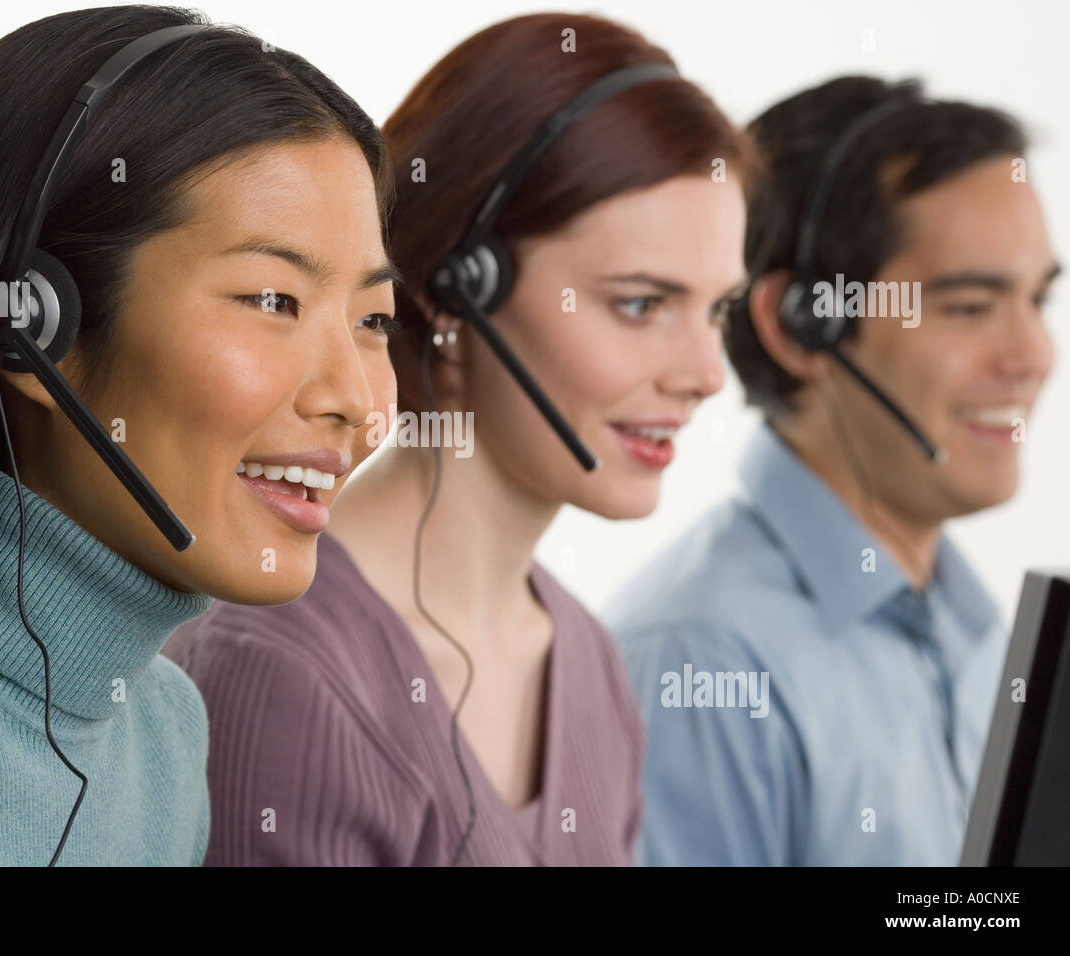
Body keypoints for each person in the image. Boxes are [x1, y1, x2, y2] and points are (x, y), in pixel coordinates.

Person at [0, 5, 398, 865]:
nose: (357, 401)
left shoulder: (165, 730)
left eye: (374, 319)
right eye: (271, 301)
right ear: (34, 326)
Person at [165, 12, 752, 865]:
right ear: (453, 290)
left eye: (718, 310)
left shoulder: (588, 662)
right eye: (640, 304)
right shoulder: (280, 672)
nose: (707, 372)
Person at [605, 76, 1059, 866]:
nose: (1033, 356)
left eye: (1037, 300)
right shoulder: (701, 660)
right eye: (969, 306)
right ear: (802, 325)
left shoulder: (975, 628)